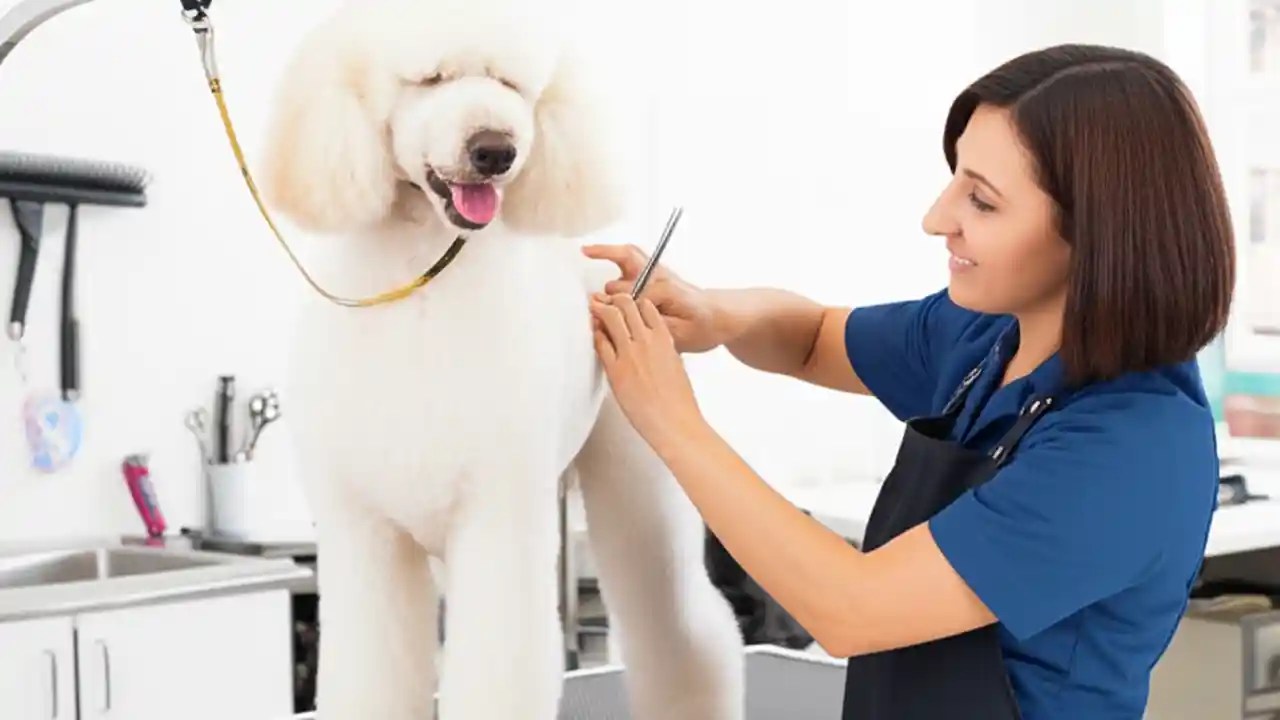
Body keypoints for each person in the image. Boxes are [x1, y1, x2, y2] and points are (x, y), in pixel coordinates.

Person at [584, 43, 1235, 720]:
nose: (936, 218)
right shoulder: (983, 337)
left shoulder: (1132, 449)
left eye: (981, 201)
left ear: (1097, 233)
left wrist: (670, 421)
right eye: (955, 177)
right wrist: (717, 315)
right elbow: (812, 339)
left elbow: (850, 608)